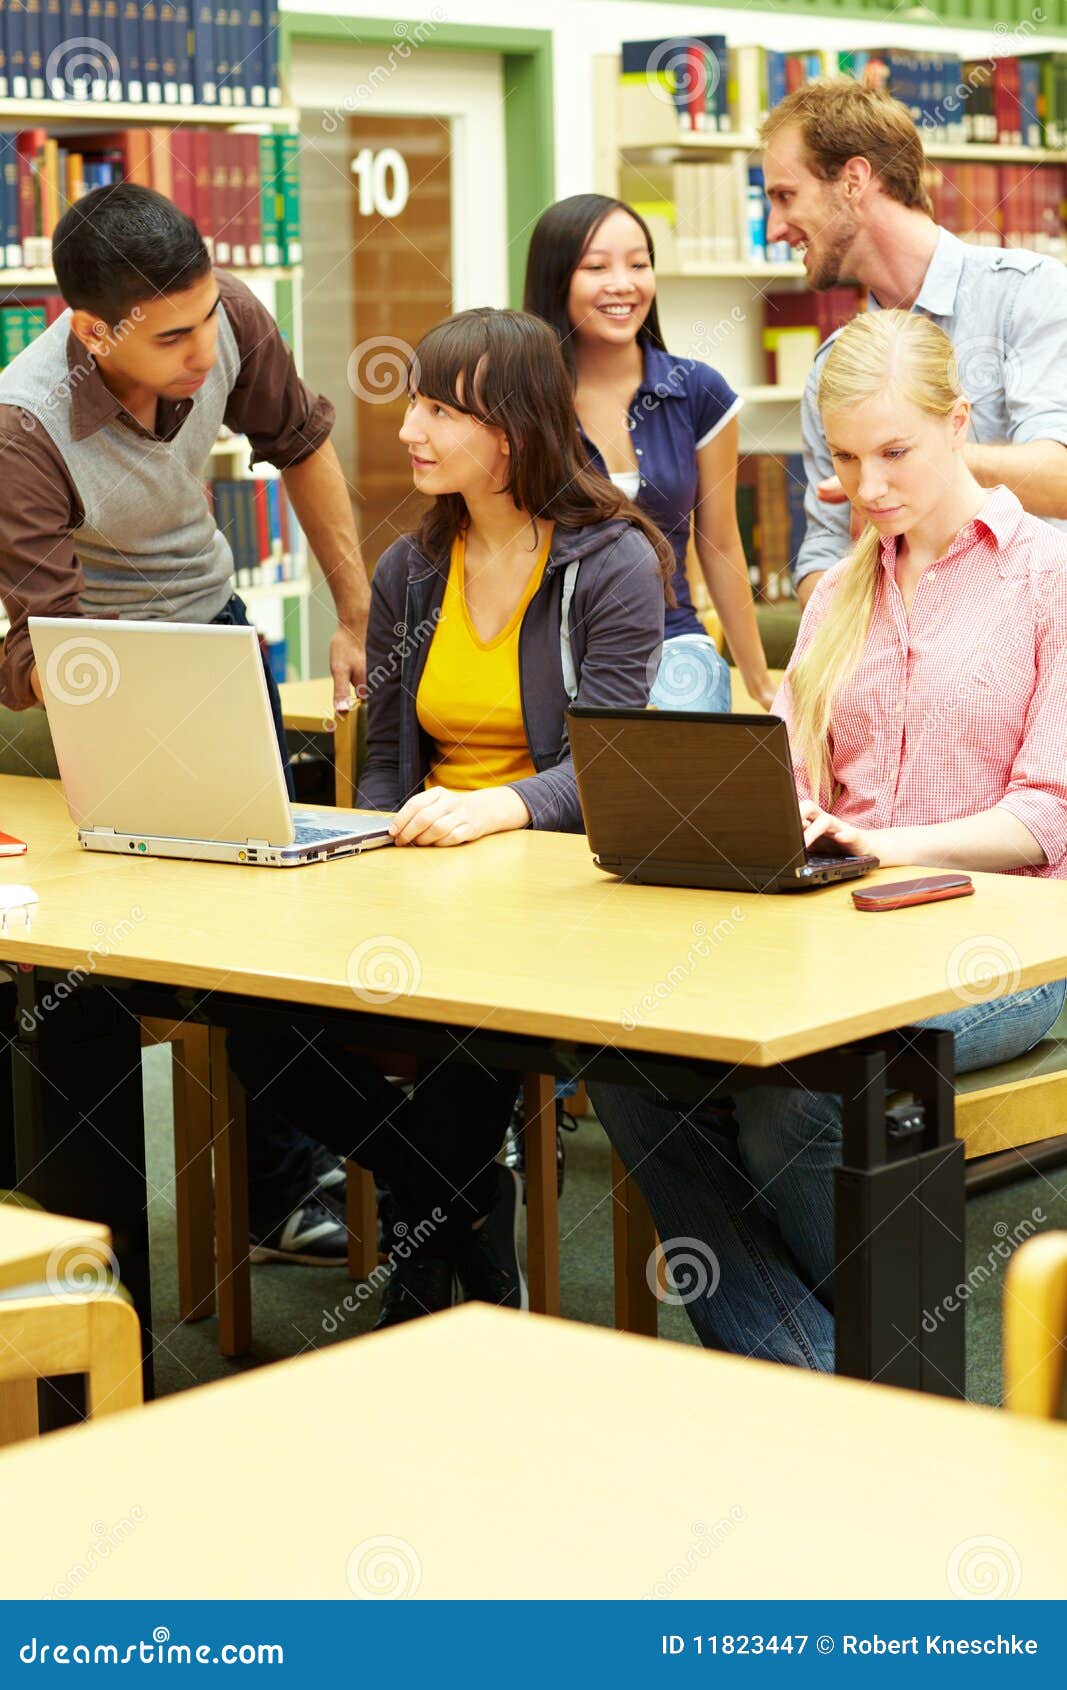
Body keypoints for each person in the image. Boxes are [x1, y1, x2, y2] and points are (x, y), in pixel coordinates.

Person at [589, 309, 1067, 1372]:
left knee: (794, 1101)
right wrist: (786, 820)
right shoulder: (844, 587)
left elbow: (1045, 818)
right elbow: (795, 770)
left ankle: (849, 1373)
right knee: (626, 1057)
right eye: (844, 457)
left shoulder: (1048, 576)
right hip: (839, 922)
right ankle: (840, 1373)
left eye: (893, 450)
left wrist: (876, 845)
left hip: (1014, 941)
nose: (866, 483)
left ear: (957, 424)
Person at [233, 305, 671, 1327]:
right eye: (412, 404)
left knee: (456, 1023)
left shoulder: (612, 562)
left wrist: (497, 809)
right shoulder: (411, 569)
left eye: (436, 409)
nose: (409, 431)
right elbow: (386, 759)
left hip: (558, 880)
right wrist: (372, 852)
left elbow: (607, 768)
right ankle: (462, 1193)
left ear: (512, 429)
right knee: (254, 1019)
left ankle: (425, 1271)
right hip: (425, 870)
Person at [0, 183, 372, 1264]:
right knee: (113, 948)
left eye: (207, 317)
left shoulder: (232, 319)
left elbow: (300, 445)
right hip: (103, 676)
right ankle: (100, 1230)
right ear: (91, 329)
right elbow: (47, 648)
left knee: (265, 932)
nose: (203, 349)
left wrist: (354, 611)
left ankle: (277, 1194)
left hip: (216, 635)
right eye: (170, 336)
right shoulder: (24, 427)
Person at [761, 78, 1067, 607]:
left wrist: (919, 464)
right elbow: (823, 552)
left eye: (786, 196)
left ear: (853, 180)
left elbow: (1060, 480)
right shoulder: (832, 367)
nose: (774, 228)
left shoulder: (1028, 293)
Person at [524, 193, 773, 710]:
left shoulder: (697, 391)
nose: (624, 283)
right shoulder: (523, 398)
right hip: (548, 648)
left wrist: (759, 680)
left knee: (687, 750)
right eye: (596, 267)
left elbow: (721, 543)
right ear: (556, 279)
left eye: (639, 264)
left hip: (672, 640)